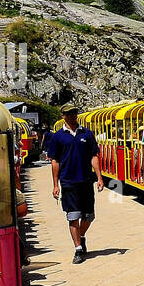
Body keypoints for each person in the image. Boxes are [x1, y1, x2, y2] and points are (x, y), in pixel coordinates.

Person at [46, 102, 105, 264]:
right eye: (69, 113)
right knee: (73, 216)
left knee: (89, 216)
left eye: (74, 112)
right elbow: (55, 161)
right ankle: (78, 249)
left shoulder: (87, 134)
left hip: (86, 180)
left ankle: (81, 235)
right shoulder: (58, 137)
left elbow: (94, 156)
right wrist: (55, 184)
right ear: (63, 116)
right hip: (68, 182)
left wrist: (99, 177)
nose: (72, 115)